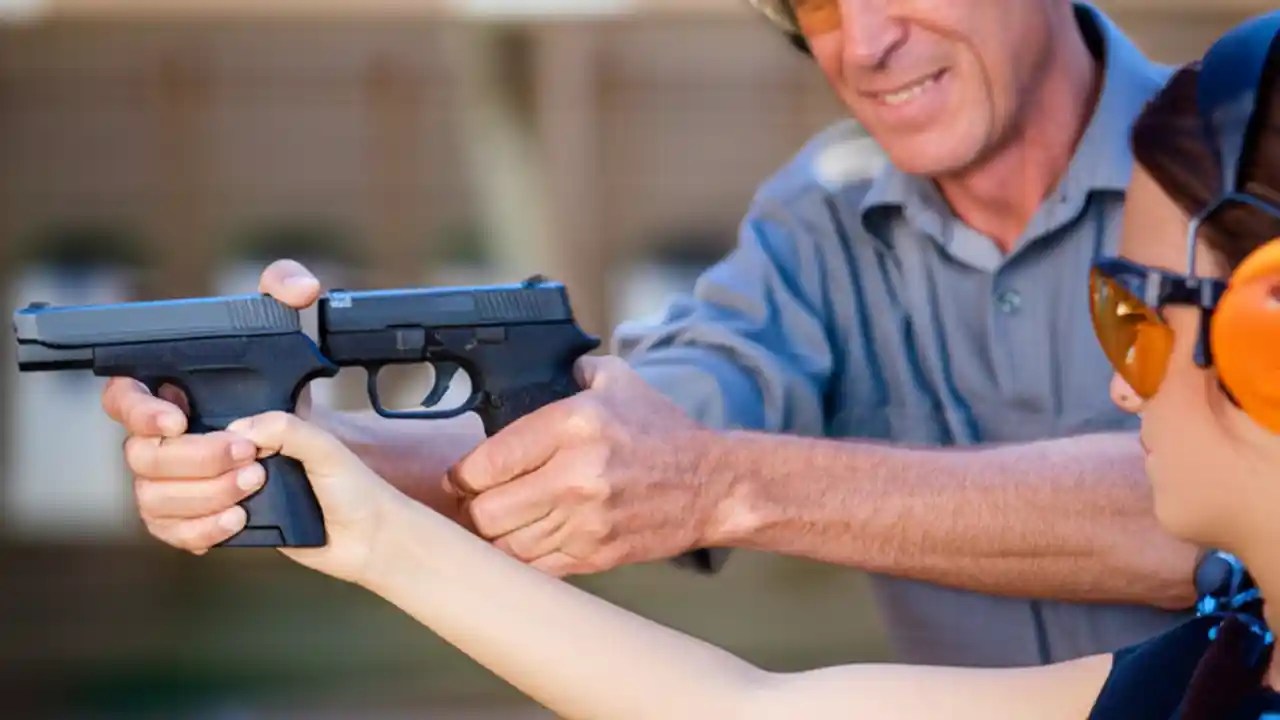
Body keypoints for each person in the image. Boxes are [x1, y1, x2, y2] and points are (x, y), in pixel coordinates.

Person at [173, 15, 1280, 717]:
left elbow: (1191, 519)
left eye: (1131, 317)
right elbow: (640, 441)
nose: (860, 42)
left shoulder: (1219, 160)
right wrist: (311, 447)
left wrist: (720, 481)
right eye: (813, 0)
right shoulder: (824, 211)